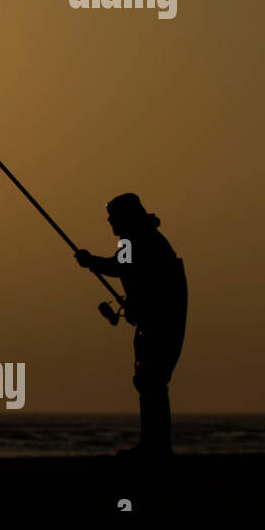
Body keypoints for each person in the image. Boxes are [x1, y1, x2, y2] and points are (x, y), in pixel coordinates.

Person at [75, 193, 187, 459]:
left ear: (127, 217)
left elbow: (119, 267)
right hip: (158, 322)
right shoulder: (144, 239)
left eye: (113, 217)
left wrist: (91, 262)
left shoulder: (140, 240)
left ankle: (155, 447)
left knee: (151, 381)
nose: (110, 222)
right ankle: (155, 445)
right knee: (150, 382)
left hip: (159, 325)